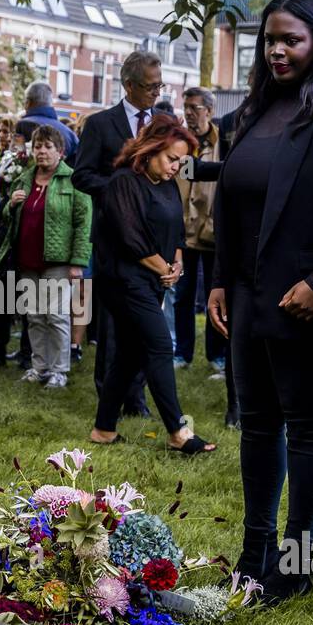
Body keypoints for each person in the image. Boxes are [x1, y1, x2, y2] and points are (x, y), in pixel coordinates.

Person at [206, 0, 313, 603]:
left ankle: (296, 563)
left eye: (292, 40)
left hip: (308, 299)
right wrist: (221, 279)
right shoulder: (255, 109)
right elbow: (232, 202)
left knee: (308, 428)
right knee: (256, 425)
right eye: (270, 40)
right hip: (247, 294)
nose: (277, 50)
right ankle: (256, 551)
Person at [89, 115, 215, 455]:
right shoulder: (123, 183)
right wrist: (166, 269)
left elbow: (175, 230)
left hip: (154, 278)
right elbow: (132, 240)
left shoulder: (168, 185)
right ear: (150, 150)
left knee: (129, 354)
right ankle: (177, 431)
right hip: (123, 281)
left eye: (181, 161)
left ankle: (103, 429)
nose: (176, 167)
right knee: (159, 346)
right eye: (171, 158)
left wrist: (177, 261)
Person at [73, 50, 165, 418]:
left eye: (159, 85)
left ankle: (137, 397)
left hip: (152, 241)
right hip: (113, 240)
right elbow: (82, 175)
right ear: (128, 85)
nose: (155, 93)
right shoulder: (100, 124)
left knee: (147, 322)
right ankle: (107, 395)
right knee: (112, 326)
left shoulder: (164, 122)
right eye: (149, 86)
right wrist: (120, 188)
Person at [0, 123, 91, 389]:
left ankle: (59, 370)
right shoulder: (25, 178)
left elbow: (84, 224)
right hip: (28, 259)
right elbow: (7, 216)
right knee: (35, 316)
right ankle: (39, 366)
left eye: (48, 147)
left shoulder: (73, 180)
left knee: (57, 316)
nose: (41, 152)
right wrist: (11, 205)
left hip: (58, 262)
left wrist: (78, 262)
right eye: (37, 146)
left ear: (60, 152)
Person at [174, 86, 225, 371]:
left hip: (212, 230)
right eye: (187, 107)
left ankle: (216, 355)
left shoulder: (222, 141)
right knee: (183, 294)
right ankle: (182, 353)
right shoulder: (180, 142)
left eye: (195, 107)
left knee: (213, 296)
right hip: (183, 231)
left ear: (209, 110)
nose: (190, 113)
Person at [16, 81, 79, 157]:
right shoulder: (70, 134)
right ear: (50, 102)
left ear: (28, 102)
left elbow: (17, 158)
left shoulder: (24, 124)